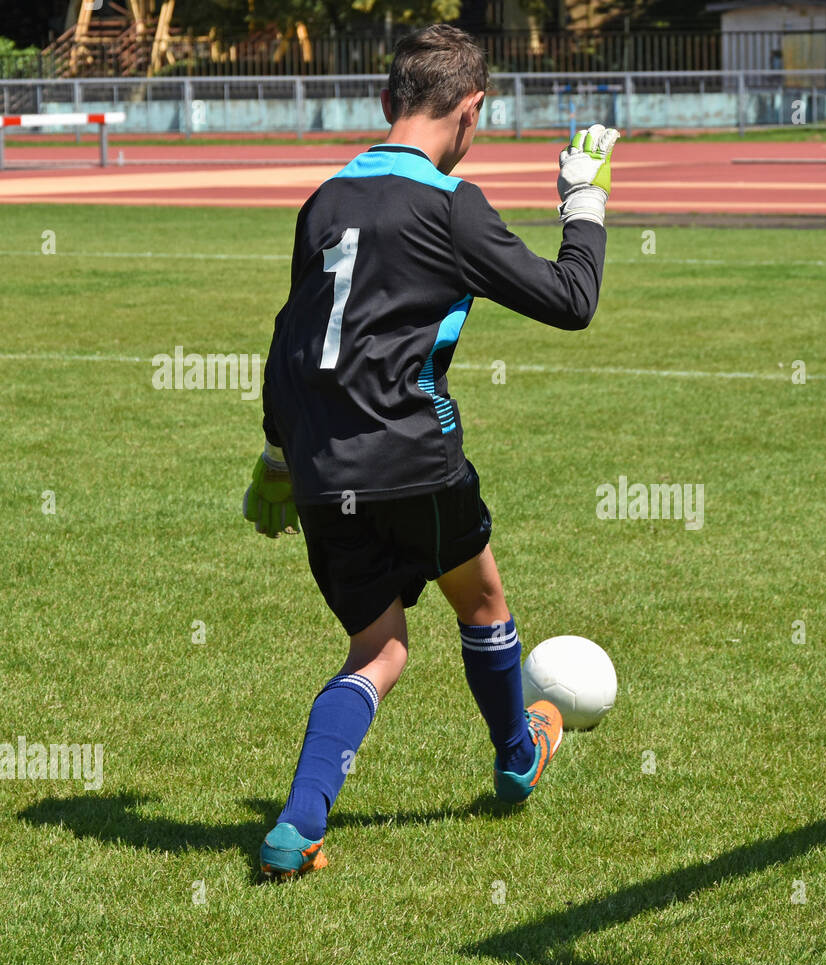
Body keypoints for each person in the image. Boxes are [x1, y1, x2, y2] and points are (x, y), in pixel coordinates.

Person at [241, 23, 621, 879]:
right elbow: (571, 300)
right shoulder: (452, 205)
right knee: (482, 604)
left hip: (321, 467)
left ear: (386, 102)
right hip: (414, 455)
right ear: (472, 110)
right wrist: (584, 200)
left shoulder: (326, 199)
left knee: (378, 651)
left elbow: (289, 339)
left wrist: (275, 457)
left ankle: (298, 827)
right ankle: (517, 754)